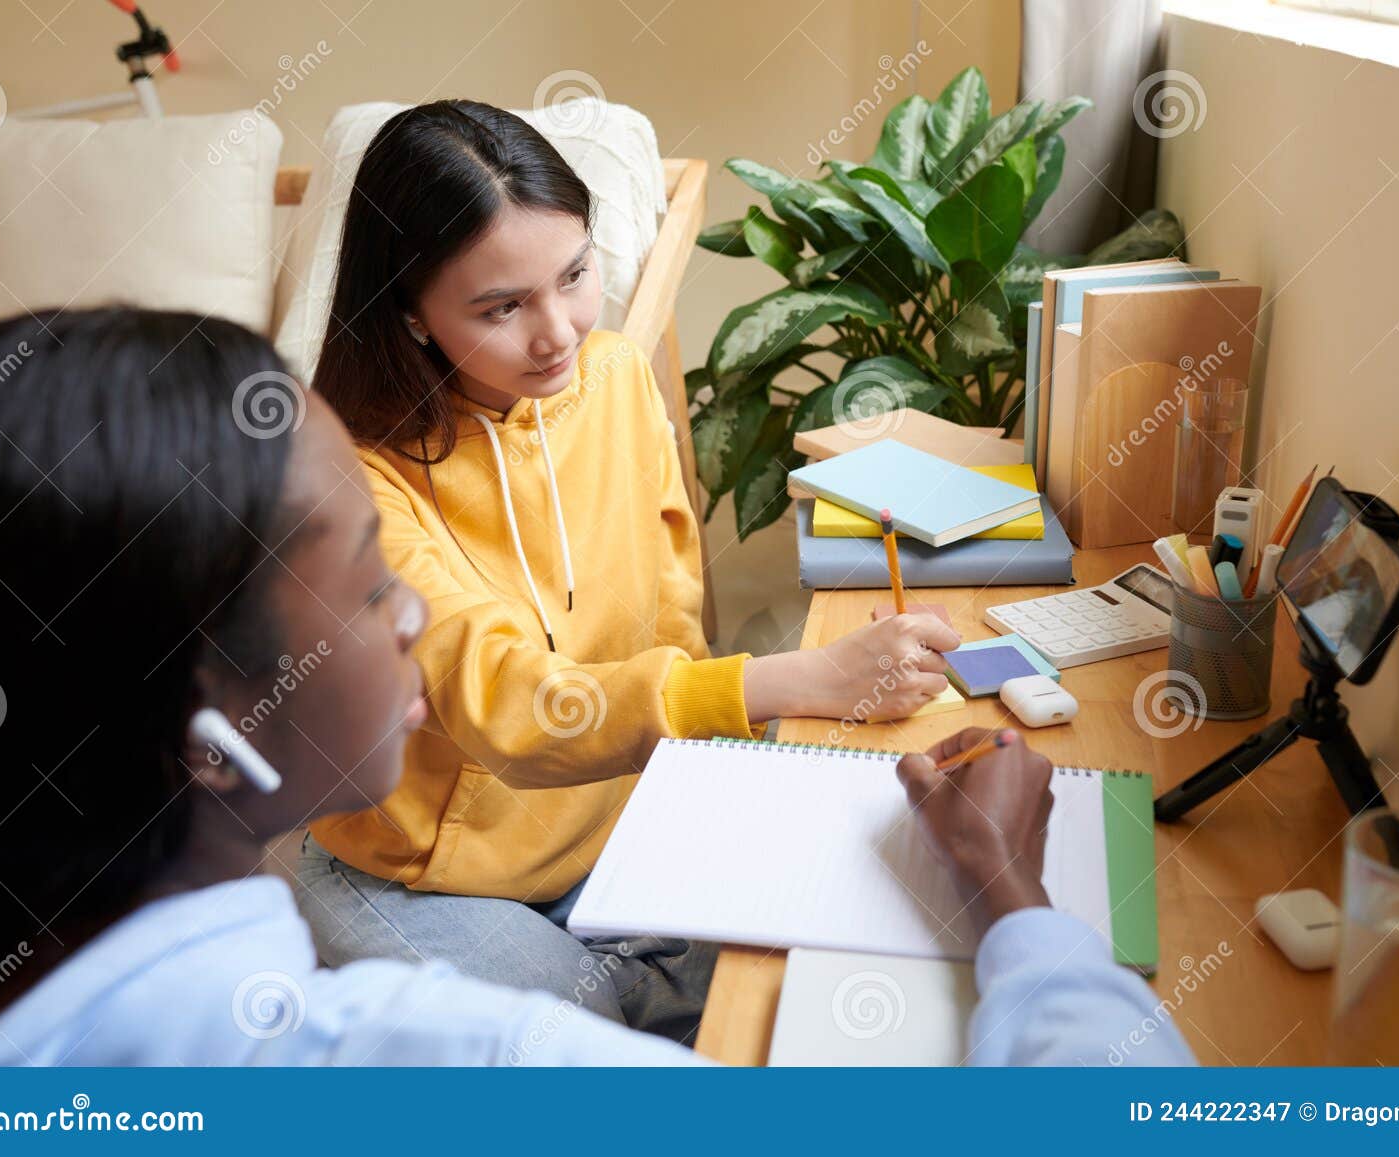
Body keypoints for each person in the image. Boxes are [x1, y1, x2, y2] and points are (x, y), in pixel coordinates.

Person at [0, 308, 1192, 1067]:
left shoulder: (617, 386)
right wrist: (1018, 899)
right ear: (209, 733)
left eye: (576, 278)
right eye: (369, 583)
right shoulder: (467, 1062)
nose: (405, 610)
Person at [298, 97, 960, 1036]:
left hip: (617, 834)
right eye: (501, 307)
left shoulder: (611, 379)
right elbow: (508, 701)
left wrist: (708, 814)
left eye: (574, 274)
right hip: (423, 874)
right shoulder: (355, 478)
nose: (558, 331)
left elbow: (671, 613)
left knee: (819, 954)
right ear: (409, 313)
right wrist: (804, 678)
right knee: (600, 1046)